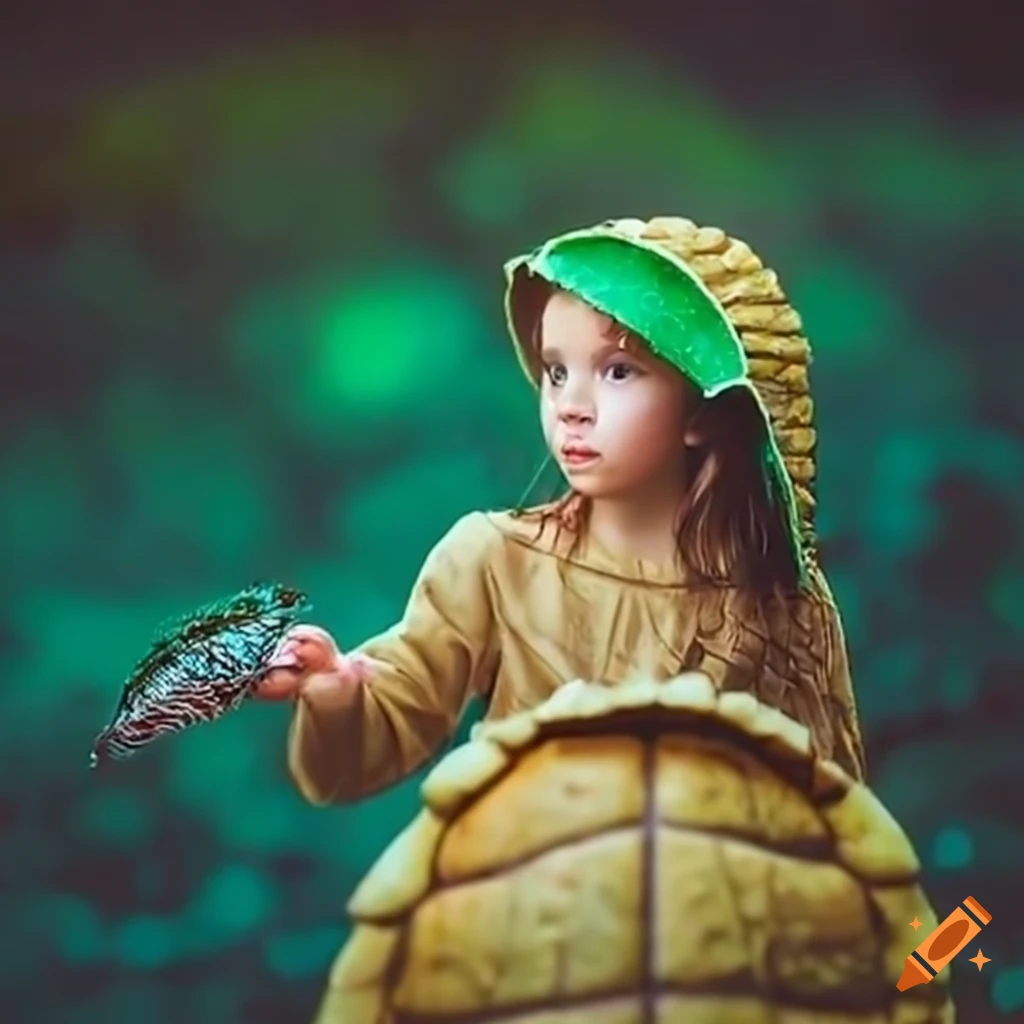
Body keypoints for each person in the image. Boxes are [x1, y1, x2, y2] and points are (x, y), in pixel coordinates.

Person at [256, 216, 868, 804]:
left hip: (707, 901)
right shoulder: (496, 559)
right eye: (555, 371)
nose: (570, 405)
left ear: (709, 411)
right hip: (518, 891)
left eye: (619, 371)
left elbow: (835, 813)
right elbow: (391, 715)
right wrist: (337, 690)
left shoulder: (779, 603)